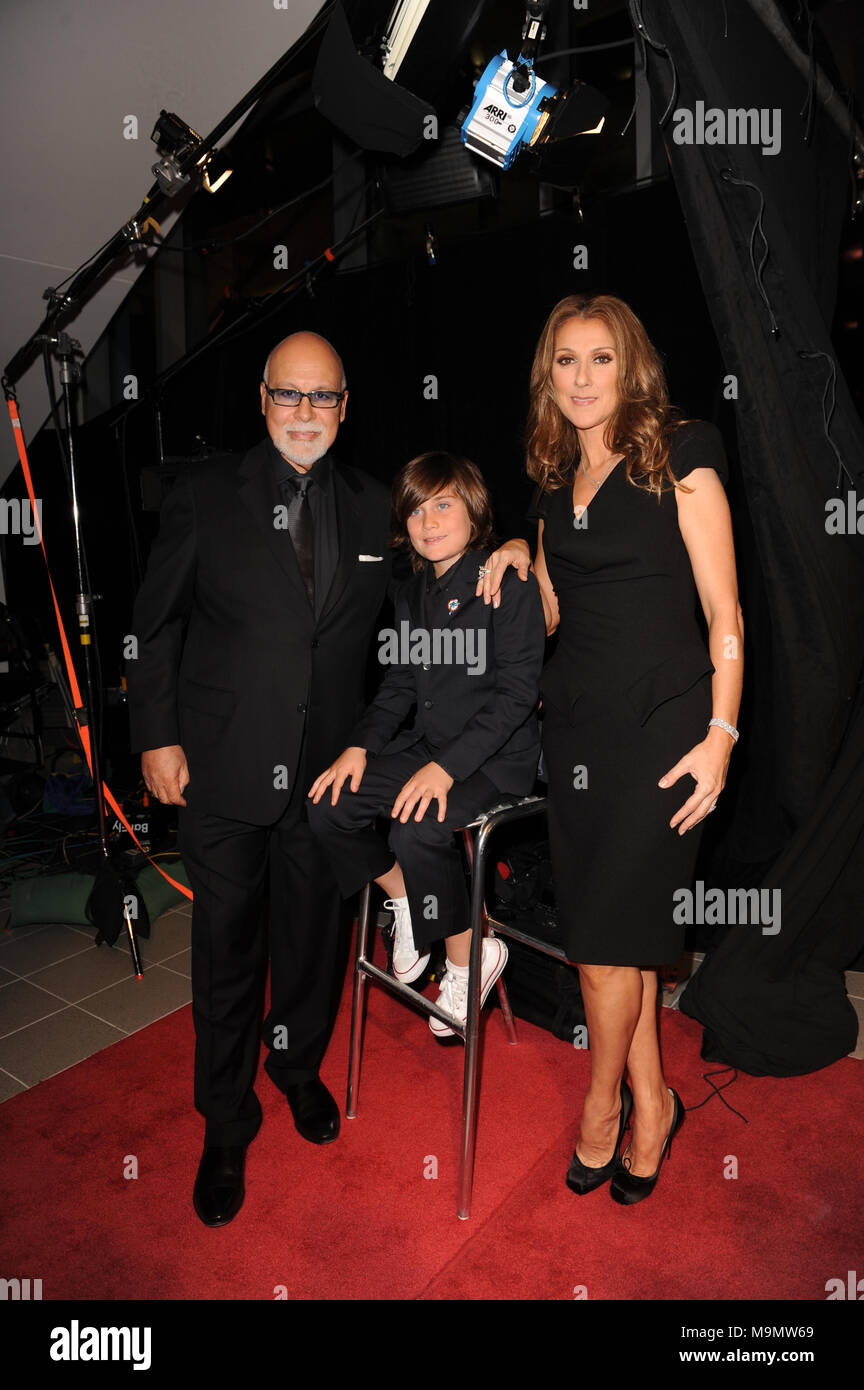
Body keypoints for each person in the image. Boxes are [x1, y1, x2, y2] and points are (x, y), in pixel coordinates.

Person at [476, 293, 744, 1204]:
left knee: (602, 949)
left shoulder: (683, 449)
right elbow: (554, 609)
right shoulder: (553, 480)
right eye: (565, 361)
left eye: (599, 359)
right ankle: (655, 1101)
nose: (582, 378)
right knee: (615, 942)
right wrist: (518, 546)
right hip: (579, 731)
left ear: (629, 367)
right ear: (546, 375)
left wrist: (722, 736)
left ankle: (605, 1108)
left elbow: (726, 614)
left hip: (667, 732)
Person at [125, 331, 392, 1226]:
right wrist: (156, 738)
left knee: (315, 949)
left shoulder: (371, 505)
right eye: (290, 396)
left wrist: (510, 553)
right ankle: (226, 1123)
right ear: (263, 400)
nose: (306, 414)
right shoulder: (205, 495)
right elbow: (154, 629)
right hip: (225, 771)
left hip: (327, 783)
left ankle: (296, 1070)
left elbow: (423, 604)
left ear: (346, 406)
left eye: (324, 398)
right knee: (227, 956)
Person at [307, 451, 545, 1034]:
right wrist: (360, 745)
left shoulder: (505, 581)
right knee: (327, 803)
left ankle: (469, 957)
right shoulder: (411, 594)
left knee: (418, 823)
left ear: (475, 512)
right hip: (432, 745)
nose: (429, 521)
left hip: (497, 761)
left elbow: (517, 698)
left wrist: (444, 767)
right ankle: (411, 900)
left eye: (443, 505)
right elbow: (400, 683)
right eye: (416, 510)